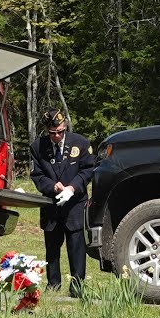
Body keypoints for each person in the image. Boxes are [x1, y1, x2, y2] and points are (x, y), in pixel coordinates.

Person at [30, 108, 97, 297]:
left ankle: (77, 287)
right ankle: (53, 284)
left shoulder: (81, 143)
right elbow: (37, 175)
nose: (57, 136)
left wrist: (72, 188)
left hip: (74, 204)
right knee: (52, 247)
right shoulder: (38, 147)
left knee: (76, 247)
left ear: (65, 126)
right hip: (52, 204)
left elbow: (88, 170)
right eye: (52, 133)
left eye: (60, 131)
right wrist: (53, 187)